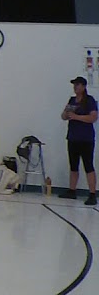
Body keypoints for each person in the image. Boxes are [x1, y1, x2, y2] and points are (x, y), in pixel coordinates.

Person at [61, 76, 98, 204]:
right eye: (74, 85)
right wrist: (66, 114)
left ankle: (92, 194)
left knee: (88, 166)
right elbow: (64, 116)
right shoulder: (72, 100)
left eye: (77, 85)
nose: (75, 87)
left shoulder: (89, 100)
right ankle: (72, 190)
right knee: (73, 166)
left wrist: (76, 117)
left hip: (86, 139)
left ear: (83, 86)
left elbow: (93, 118)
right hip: (73, 138)